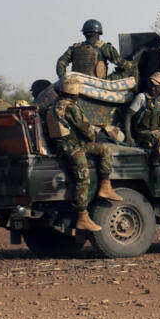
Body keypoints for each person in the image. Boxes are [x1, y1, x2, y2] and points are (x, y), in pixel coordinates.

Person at [46, 76, 122, 232]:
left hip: (62, 146)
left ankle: (105, 187)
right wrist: (91, 137)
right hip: (73, 148)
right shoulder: (71, 108)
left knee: (104, 151)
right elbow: (85, 128)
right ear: (74, 94)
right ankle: (83, 216)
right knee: (83, 180)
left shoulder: (52, 107)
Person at [55, 19, 132, 80]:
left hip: (78, 81)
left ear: (84, 33)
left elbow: (61, 62)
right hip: (99, 83)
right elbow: (121, 63)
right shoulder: (105, 47)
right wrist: (130, 64)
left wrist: (63, 79)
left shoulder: (74, 48)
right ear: (99, 33)